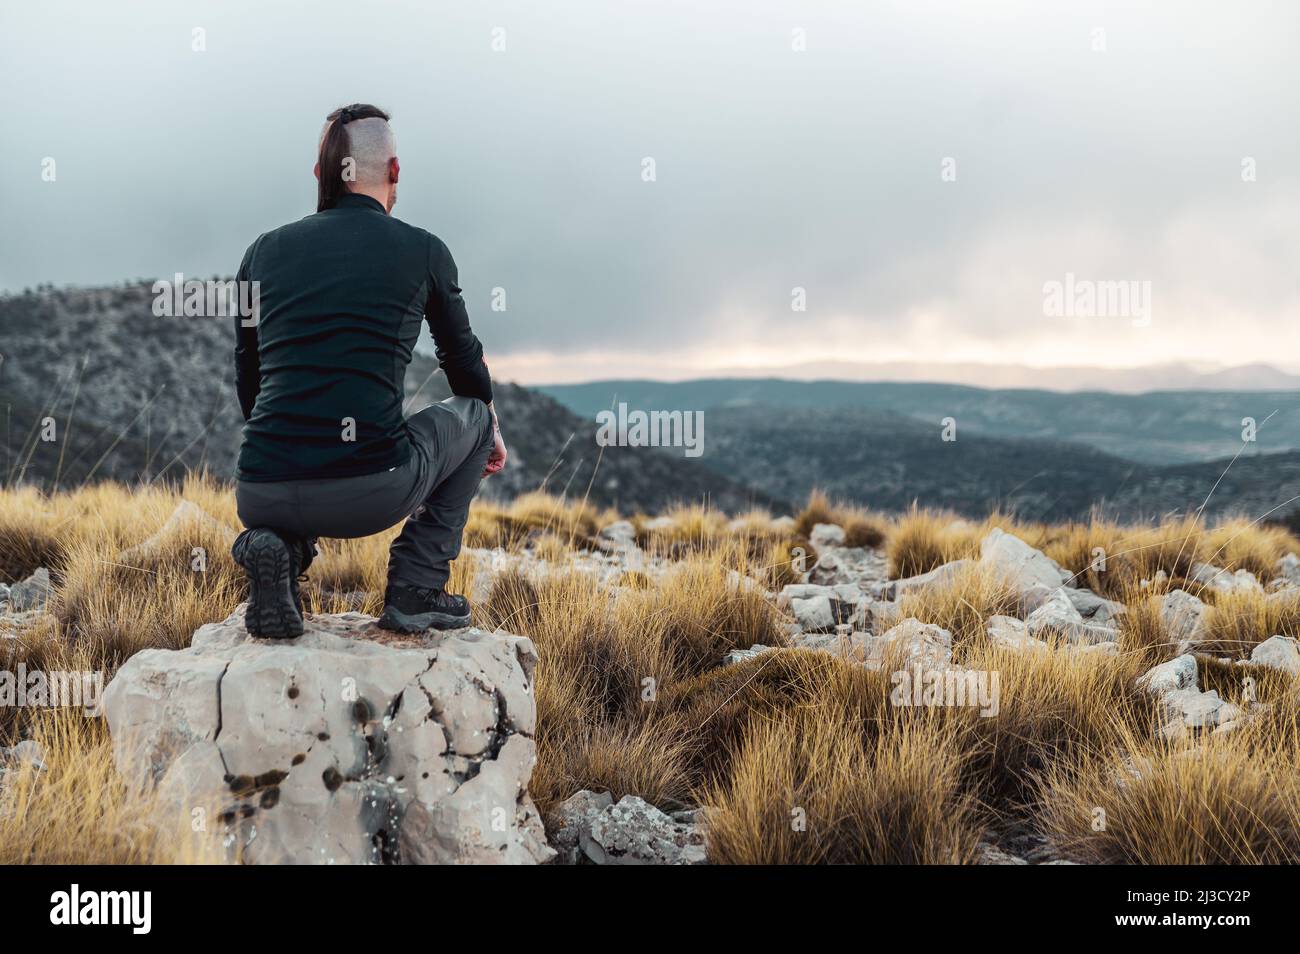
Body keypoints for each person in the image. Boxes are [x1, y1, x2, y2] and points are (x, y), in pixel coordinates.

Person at [229, 103, 505, 639]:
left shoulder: (260, 253)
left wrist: (285, 451)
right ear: (395, 171)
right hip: (371, 492)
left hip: (260, 488)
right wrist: (490, 428)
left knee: (278, 454)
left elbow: (249, 374)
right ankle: (415, 588)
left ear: (320, 175)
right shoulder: (424, 250)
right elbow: (462, 364)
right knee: (473, 416)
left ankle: (281, 551)